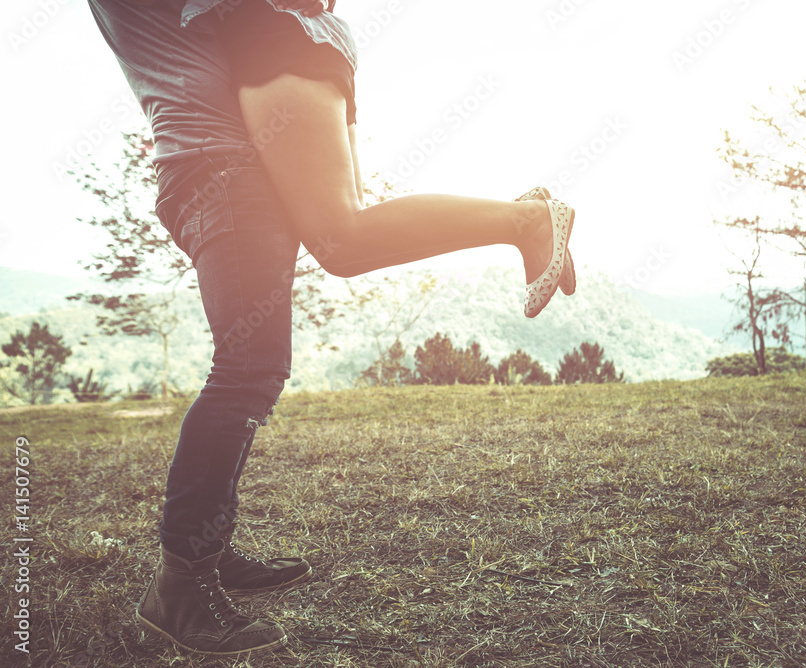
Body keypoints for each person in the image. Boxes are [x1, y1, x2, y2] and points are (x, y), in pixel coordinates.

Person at [85, 0, 576, 657]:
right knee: (258, 356)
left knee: (250, 364)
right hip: (227, 145)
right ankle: (202, 558)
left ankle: (185, 578)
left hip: (232, 146)